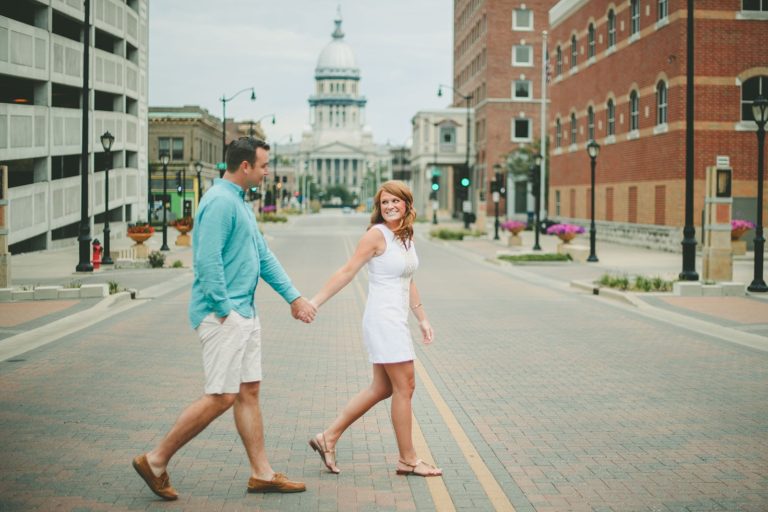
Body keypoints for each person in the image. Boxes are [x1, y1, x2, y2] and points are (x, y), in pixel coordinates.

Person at [132, 137, 317, 500]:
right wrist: (224, 309)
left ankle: (262, 474)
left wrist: (293, 297)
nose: (267, 172)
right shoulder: (219, 202)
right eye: (263, 165)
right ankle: (155, 460)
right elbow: (207, 261)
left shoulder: (240, 203)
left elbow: (263, 256)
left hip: (243, 312)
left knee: (249, 391)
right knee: (221, 396)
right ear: (245, 166)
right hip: (224, 315)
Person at [307, 180, 442, 477]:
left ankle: (328, 436)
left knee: (382, 388)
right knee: (405, 387)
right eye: (385, 203)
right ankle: (408, 459)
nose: (390, 207)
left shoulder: (405, 236)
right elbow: (347, 271)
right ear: (379, 208)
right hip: (383, 319)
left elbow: (409, 279)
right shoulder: (376, 235)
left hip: (397, 318)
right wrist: (315, 302)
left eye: (396, 201)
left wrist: (422, 319)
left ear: (407, 204)